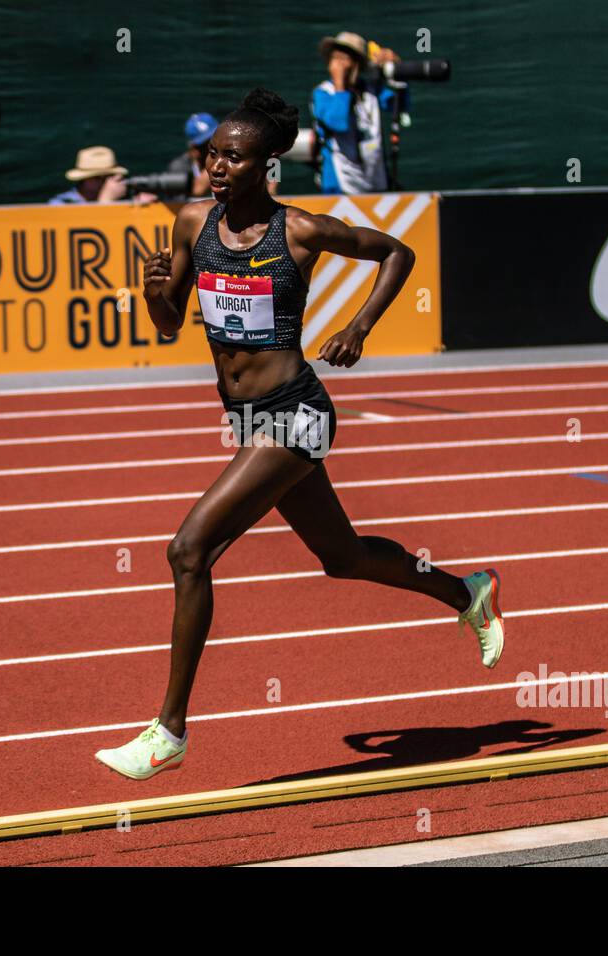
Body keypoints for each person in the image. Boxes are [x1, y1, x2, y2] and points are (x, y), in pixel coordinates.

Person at [94, 88, 504, 780]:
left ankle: (169, 733)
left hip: (298, 414)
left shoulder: (303, 230)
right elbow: (167, 324)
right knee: (341, 557)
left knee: (189, 550)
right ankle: (467, 593)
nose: (216, 166)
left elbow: (396, 252)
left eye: (234, 156)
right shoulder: (191, 223)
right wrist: (152, 289)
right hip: (248, 421)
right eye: (212, 154)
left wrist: (358, 328)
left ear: (268, 164)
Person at [310, 31, 402, 194]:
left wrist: (397, 72)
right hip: (340, 185)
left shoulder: (371, 91)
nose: (339, 64)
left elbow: (400, 105)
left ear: (357, 64)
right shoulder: (323, 93)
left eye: (344, 59)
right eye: (335, 58)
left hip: (375, 183)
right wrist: (340, 86)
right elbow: (337, 122)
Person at [48, 146, 155, 205]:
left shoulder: (122, 201)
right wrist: (105, 200)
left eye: (110, 177)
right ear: (83, 179)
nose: (106, 183)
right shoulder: (61, 204)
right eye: (97, 178)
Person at [166, 112, 219, 199]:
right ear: (193, 148)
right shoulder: (179, 167)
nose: (213, 147)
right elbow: (197, 191)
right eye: (206, 144)